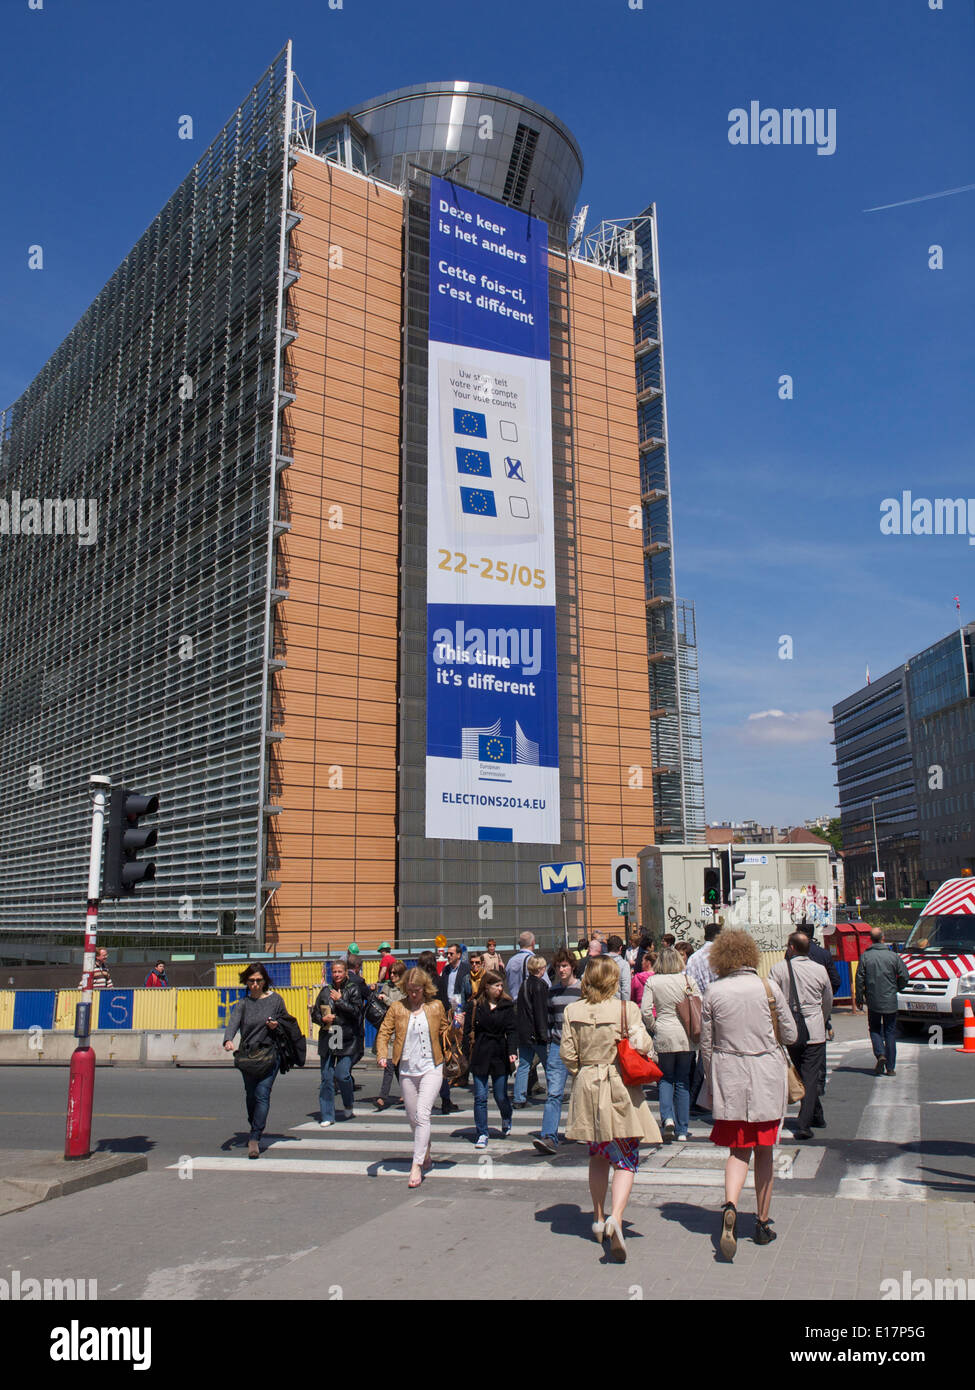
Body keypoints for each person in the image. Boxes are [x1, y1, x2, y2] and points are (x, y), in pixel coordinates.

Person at [700, 930, 797, 1258]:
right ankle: (762, 1221)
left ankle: (730, 1204)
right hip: (766, 1077)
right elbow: (792, 1033)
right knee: (765, 1151)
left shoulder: (713, 991)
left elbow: (706, 1046)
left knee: (737, 1150)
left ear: (721, 959)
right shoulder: (768, 987)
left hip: (730, 1078)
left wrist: (712, 1084)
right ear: (750, 955)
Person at [561, 957, 660, 1262]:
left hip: (588, 1085)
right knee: (626, 1157)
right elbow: (642, 1044)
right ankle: (616, 1216)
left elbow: (568, 1054)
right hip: (619, 1086)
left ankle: (598, 1217)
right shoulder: (624, 1009)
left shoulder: (572, 1010)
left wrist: (584, 1071)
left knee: (598, 1153)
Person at [376, 967, 451, 1187]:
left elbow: (445, 1032)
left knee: (422, 1114)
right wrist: (382, 1054)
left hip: (432, 1066)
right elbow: (384, 1031)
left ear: (424, 988)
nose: (413, 995)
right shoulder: (398, 1008)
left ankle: (416, 1165)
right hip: (407, 1068)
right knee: (412, 1118)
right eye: (409, 990)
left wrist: (456, 1026)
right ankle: (425, 1150)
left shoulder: (435, 1006)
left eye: (416, 990)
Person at [769, 932, 832, 1139]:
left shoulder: (778, 970)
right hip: (814, 1028)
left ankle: (817, 1114)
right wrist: (821, 1020)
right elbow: (827, 999)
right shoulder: (820, 970)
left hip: (791, 1028)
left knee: (802, 1073)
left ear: (791, 948)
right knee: (811, 1075)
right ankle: (804, 1123)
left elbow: (771, 1000)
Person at [223, 962, 287, 1158]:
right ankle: (255, 1125)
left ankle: (254, 1137)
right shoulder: (244, 1004)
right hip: (248, 1057)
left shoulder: (276, 1000)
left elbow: (287, 1023)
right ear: (246, 982)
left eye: (259, 980)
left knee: (262, 1094)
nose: (255, 984)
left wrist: (277, 1026)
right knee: (251, 1096)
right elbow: (233, 1022)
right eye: (251, 981)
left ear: (265, 981)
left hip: (269, 1055)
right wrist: (228, 1039)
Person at [642, 946, 700, 1142]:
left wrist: (654, 1026)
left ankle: (667, 1117)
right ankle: (683, 1128)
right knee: (683, 1080)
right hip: (685, 1035)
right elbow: (699, 1005)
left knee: (665, 1078)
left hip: (664, 1031)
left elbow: (646, 1011)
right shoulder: (687, 980)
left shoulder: (653, 981)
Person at [533, 948, 582, 1154]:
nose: (561, 970)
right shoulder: (552, 992)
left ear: (572, 967)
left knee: (582, 1092)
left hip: (580, 1048)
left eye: (565, 966)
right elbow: (549, 1019)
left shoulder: (583, 991)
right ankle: (549, 1135)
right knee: (554, 1093)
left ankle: (584, 1131)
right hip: (557, 1046)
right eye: (559, 966)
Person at [462, 970, 518, 1148]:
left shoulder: (507, 1005)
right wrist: (465, 1053)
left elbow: (512, 1031)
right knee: (480, 1097)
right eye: (496, 985)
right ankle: (482, 1133)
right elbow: (466, 1031)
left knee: (501, 1095)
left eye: (501, 985)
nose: (500, 989)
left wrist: (512, 1051)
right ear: (487, 987)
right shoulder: (475, 1005)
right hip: (481, 1053)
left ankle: (506, 1116)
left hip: (500, 1054)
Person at [311, 959, 364, 1127]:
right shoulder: (325, 991)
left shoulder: (352, 989)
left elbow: (357, 1012)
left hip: (347, 1037)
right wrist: (322, 1019)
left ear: (346, 972)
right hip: (328, 1036)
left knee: (342, 1074)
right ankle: (327, 1114)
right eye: (334, 972)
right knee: (326, 1078)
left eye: (340, 971)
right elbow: (315, 1013)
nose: (337, 975)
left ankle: (348, 1102)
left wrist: (341, 1000)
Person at [854, 927, 909, 1076]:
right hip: (890, 999)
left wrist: (859, 998)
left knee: (875, 1029)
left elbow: (859, 978)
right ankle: (890, 1068)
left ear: (871, 939)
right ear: (883, 938)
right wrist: (897, 988)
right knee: (890, 1032)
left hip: (873, 1000)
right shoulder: (893, 956)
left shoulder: (866, 957)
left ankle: (880, 1054)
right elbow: (904, 976)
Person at [687, 922, 722, 1114]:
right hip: (722, 1007)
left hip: (701, 1007)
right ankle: (701, 1097)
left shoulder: (694, 958)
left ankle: (696, 1097)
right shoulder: (722, 957)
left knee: (704, 1052)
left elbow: (689, 984)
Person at [437, 942, 471, 1115]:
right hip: (448, 1008)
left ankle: (462, 1074)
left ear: (459, 955)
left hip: (460, 1009)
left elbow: (467, 990)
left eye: (451, 954)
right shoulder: (446, 970)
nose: (448, 956)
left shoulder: (465, 969)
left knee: (461, 1042)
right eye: (448, 954)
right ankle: (454, 1073)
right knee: (451, 1044)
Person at [514, 955, 550, 1108]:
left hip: (524, 1031)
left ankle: (519, 1097)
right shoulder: (540, 986)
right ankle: (555, 1093)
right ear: (540, 969)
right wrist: (544, 1034)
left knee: (524, 1064)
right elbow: (541, 1012)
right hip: (537, 1032)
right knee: (549, 1064)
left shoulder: (524, 984)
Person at [373, 960, 407, 1110]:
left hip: (401, 1029)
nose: (392, 975)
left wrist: (385, 999)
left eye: (395, 973)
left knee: (396, 1065)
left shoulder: (405, 989)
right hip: (388, 1028)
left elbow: (399, 1005)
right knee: (390, 1064)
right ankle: (383, 1096)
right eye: (391, 972)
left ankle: (386, 1095)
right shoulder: (387, 986)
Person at [504, 932, 537, 1000]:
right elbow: (547, 984)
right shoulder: (534, 960)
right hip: (530, 1004)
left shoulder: (511, 961)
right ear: (533, 943)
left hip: (514, 1004)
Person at [606, 936, 632, 1003]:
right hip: (617, 1003)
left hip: (598, 1003)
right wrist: (625, 1006)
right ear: (620, 948)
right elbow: (625, 989)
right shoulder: (624, 964)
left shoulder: (598, 961)